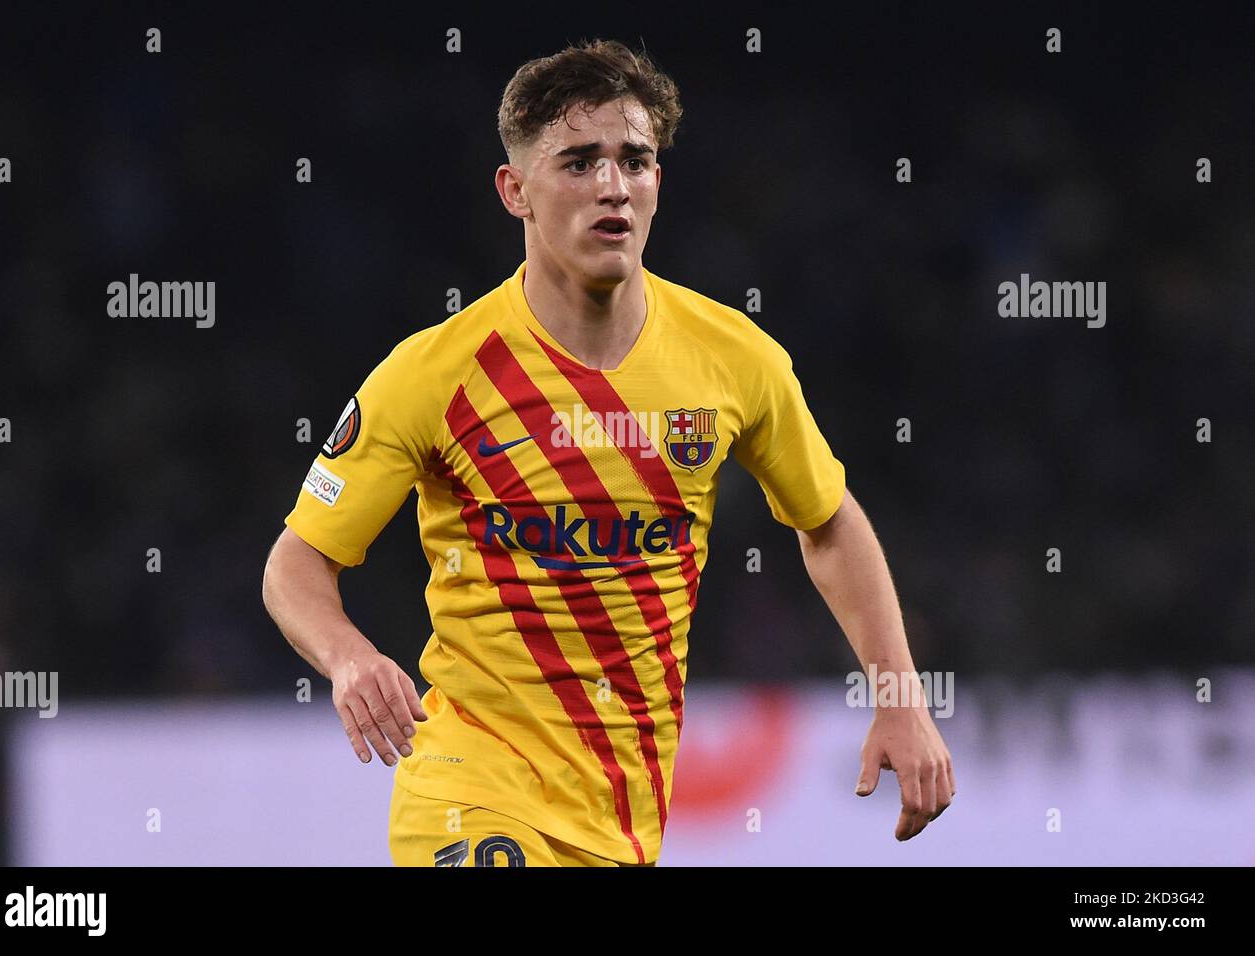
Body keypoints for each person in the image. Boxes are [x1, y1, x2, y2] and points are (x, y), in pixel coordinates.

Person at [262, 38, 953, 867]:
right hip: (469, 788)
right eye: (579, 162)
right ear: (514, 190)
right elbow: (296, 563)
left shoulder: (735, 360)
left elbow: (829, 525)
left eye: (635, 160)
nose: (613, 187)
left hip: (625, 819)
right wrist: (349, 658)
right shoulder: (434, 373)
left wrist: (899, 694)